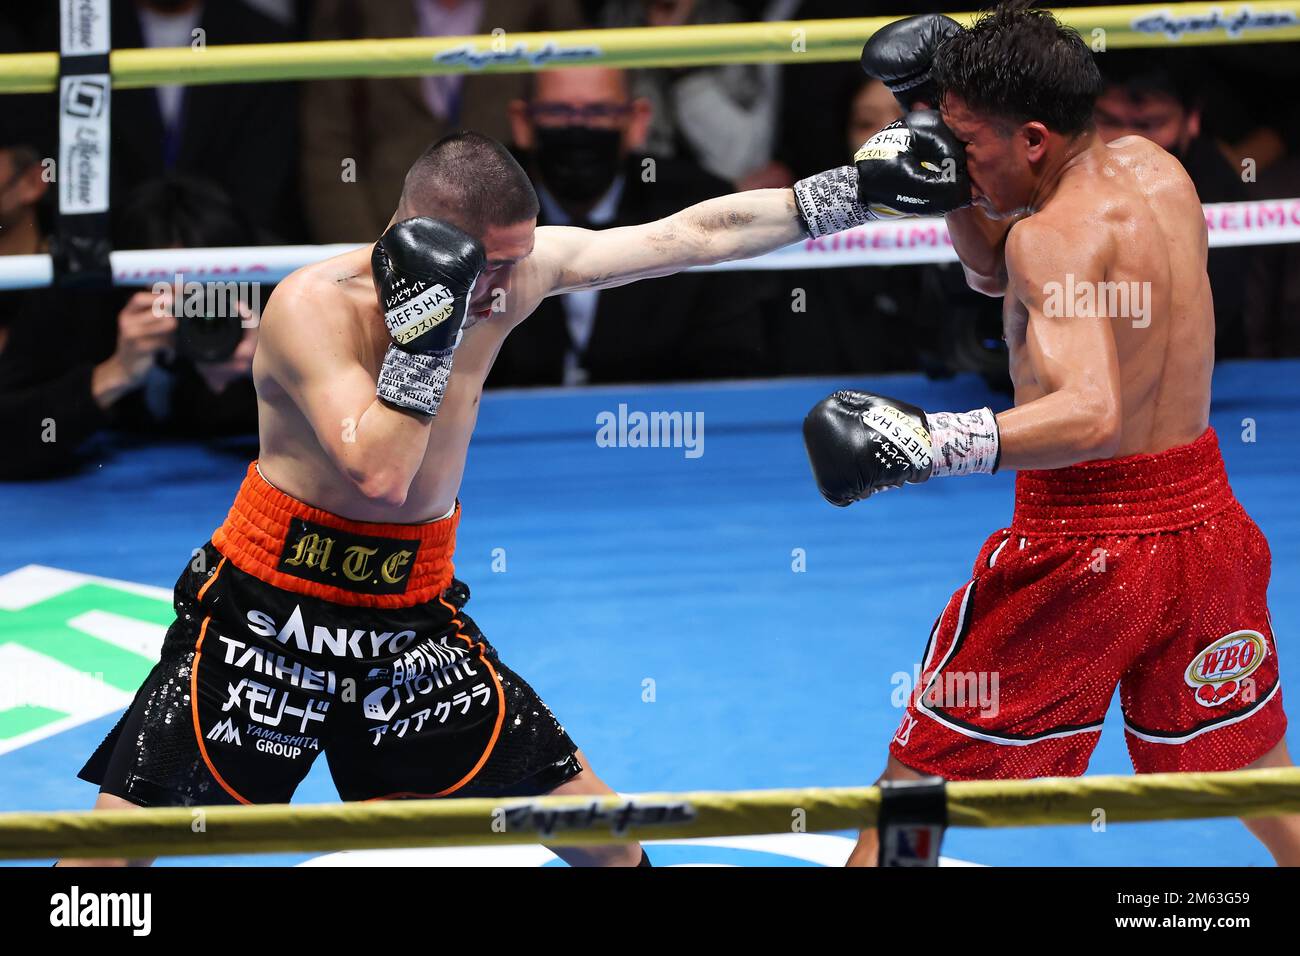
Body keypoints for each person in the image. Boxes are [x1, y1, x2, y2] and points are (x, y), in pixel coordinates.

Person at [65, 113, 928, 864]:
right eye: (481, 270)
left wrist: (850, 192)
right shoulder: (312, 308)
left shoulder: (510, 275)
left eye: (516, 263)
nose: (504, 290)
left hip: (412, 613)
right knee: (107, 861)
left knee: (606, 838)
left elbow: (697, 234)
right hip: (269, 614)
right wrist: (423, 336)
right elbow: (379, 469)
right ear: (419, 246)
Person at [800, 9, 1298, 866]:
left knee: (919, 786)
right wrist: (955, 165)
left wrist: (929, 441)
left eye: (964, 143)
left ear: (1032, 137)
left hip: (1085, 550)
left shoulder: (1053, 237)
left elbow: (1089, 412)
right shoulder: (1155, 170)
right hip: (1206, 528)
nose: (952, 160)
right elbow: (1008, 273)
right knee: (1253, 771)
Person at [491, 66, 767, 386]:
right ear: (522, 122)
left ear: (637, 121)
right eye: (558, 111)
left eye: (600, 112)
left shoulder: (699, 206)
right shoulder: (482, 212)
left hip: (663, 426)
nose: (579, 128)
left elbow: (734, 364)